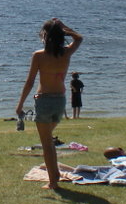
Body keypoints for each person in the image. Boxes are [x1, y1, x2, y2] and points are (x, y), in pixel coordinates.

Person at [15, 18, 83, 190]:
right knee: (48, 141)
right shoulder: (66, 53)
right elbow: (79, 38)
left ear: (45, 36)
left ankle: (53, 181)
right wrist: (63, 28)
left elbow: (30, 82)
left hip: (44, 100)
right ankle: (55, 174)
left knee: (47, 144)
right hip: (60, 100)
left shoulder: (39, 56)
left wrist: (20, 104)